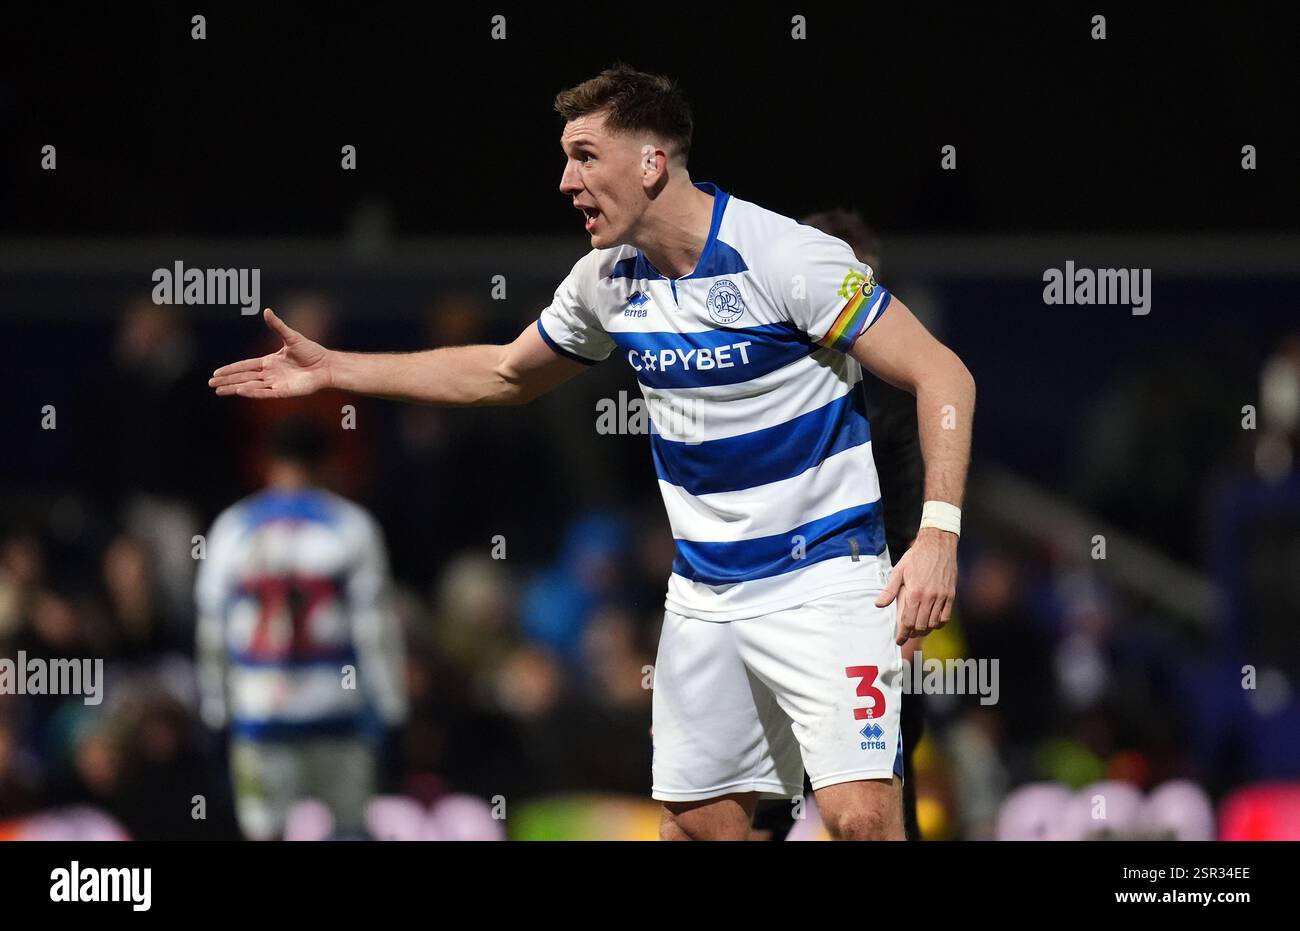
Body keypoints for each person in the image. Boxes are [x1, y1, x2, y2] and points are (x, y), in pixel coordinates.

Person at [209, 66, 975, 840]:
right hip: (706, 598)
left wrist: (938, 535)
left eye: (583, 155)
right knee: (706, 829)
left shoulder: (785, 258)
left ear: (650, 163)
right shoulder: (608, 280)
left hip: (826, 583)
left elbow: (943, 372)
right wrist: (338, 368)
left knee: (862, 821)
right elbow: (505, 373)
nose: (565, 179)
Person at [194, 418, 406, 840]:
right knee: (349, 830)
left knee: (264, 832)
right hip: (336, 709)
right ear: (327, 463)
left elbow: (212, 628)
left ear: (268, 463)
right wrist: (391, 705)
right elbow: (375, 627)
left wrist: (216, 708)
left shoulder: (233, 529)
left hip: (261, 712)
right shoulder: (350, 526)